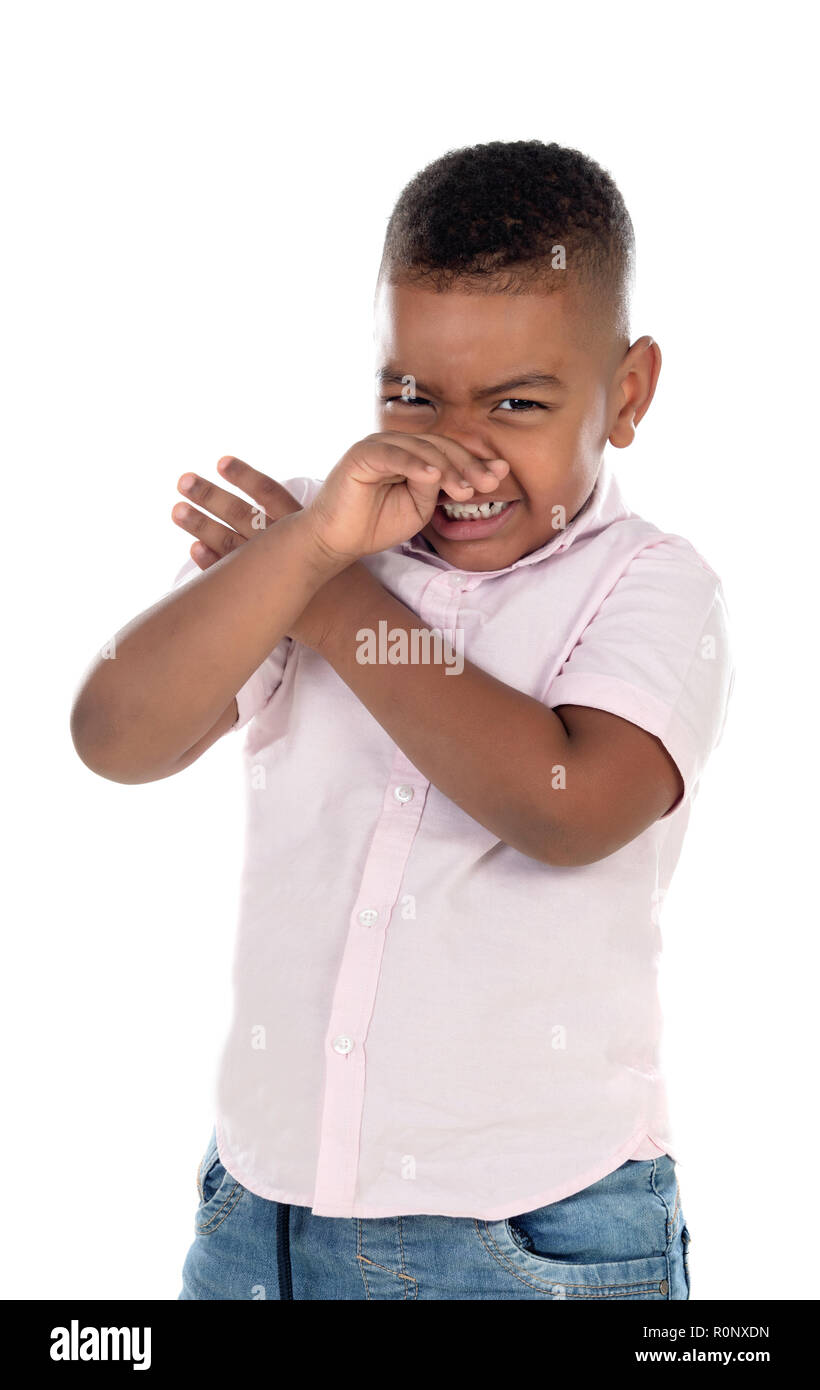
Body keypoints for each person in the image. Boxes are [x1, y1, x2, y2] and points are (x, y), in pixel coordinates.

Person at [70, 139, 734, 1300]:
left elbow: (562, 807)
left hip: (532, 1232)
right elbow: (114, 737)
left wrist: (331, 599)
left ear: (626, 395)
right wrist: (302, 554)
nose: (455, 447)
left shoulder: (654, 585)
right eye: (410, 393)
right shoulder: (323, 539)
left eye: (519, 402)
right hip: (258, 1217)